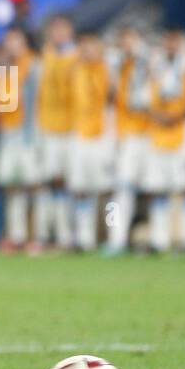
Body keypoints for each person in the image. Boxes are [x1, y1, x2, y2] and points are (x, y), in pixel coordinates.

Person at [142, 26, 185, 253]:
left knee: (184, 188)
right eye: (168, 40)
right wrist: (160, 116)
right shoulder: (154, 66)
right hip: (157, 135)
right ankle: (159, 239)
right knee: (158, 190)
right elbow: (144, 98)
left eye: (175, 40)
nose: (171, 44)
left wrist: (177, 116)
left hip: (183, 133)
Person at [106, 25, 152, 255]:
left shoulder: (151, 62)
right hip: (125, 135)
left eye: (131, 38)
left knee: (157, 190)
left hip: (152, 135)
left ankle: (158, 239)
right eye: (124, 39)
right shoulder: (116, 66)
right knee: (120, 189)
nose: (128, 44)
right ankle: (116, 238)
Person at [0, 25, 38, 252]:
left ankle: (36, 236)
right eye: (7, 39)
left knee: (33, 184)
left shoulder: (34, 65)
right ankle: (16, 236)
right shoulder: (3, 68)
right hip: (8, 131)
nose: (10, 44)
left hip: (29, 132)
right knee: (11, 186)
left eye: (14, 39)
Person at [32, 13, 76, 250]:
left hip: (69, 129)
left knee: (66, 183)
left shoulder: (77, 58)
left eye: (62, 29)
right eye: (54, 30)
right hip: (46, 128)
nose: (58, 34)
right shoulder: (44, 59)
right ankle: (44, 235)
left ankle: (67, 236)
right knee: (44, 183)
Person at [68, 30, 111, 251]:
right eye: (84, 46)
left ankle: (114, 236)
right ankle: (85, 238)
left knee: (109, 191)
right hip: (79, 136)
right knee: (81, 189)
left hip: (105, 135)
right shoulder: (74, 70)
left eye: (93, 46)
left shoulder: (110, 69)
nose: (88, 51)